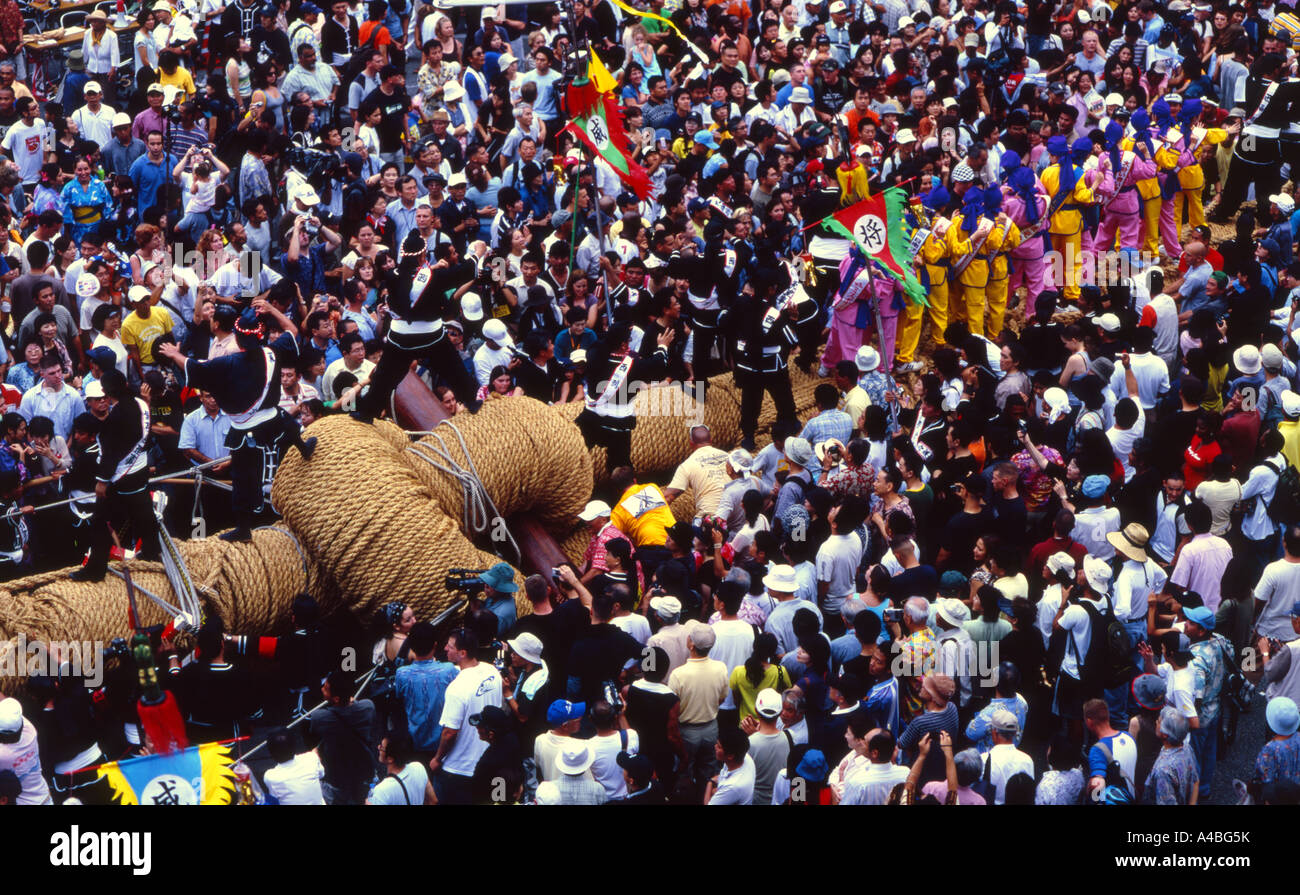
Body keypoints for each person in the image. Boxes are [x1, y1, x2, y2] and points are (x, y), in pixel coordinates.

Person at [157, 309, 317, 540]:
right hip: (273, 419)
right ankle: (304, 448)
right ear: (260, 335)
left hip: (243, 427)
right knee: (288, 425)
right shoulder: (272, 352)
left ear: (237, 337)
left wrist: (173, 354)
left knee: (243, 479)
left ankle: (243, 529)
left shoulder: (227, 364)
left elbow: (193, 367)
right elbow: (292, 330)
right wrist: (272, 310)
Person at [429, 626, 502, 805]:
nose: (445, 648)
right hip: (487, 760)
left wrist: (437, 759)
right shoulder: (492, 672)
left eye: (450, 646)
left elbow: (449, 732)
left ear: (462, 653)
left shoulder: (457, 688)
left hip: (458, 769)